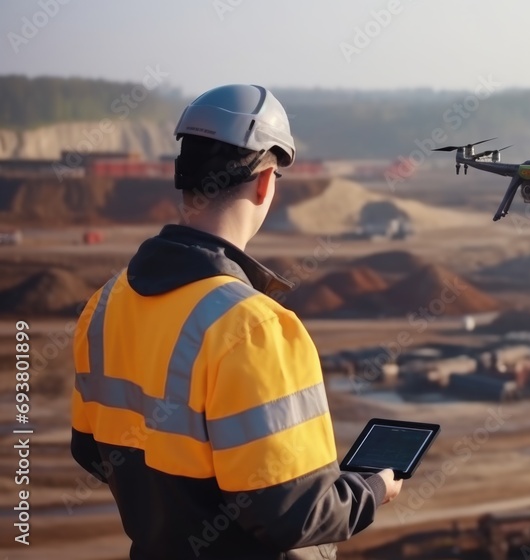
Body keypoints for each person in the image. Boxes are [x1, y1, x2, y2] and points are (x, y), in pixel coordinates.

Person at [70, 84, 402, 560]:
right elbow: (292, 514)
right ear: (266, 181)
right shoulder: (254, 328)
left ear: (185, 180)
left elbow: (91, 452)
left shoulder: (103, 304)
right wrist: (370, 491)